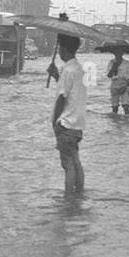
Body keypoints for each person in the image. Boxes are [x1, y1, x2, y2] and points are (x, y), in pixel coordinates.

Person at [51, 32, 86, 195]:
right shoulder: (78, 68)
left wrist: (54, 122)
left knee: (68, 166)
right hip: (77, 124)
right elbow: (71, 91)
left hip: (65, 124)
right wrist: (56, 75)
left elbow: (62, 98)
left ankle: (69, 200)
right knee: (76, 162)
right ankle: (79, 195)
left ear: (63, 49)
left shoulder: (67, 70)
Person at [108, 51, 129, 116]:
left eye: (119, 53)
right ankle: (115, 121)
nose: (117, 55)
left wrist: (125, 86)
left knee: (125, 105)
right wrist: (113, 67)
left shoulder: (127, 63)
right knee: (114, 106)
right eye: (116, 53)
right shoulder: (111, 62)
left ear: (122, 54)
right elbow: (109, 75)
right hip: (114, 84)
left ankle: (126, 120)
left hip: (124, 83)